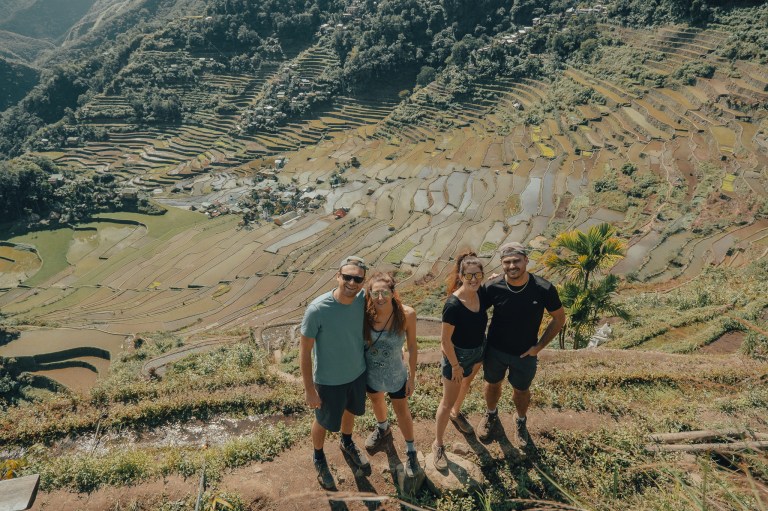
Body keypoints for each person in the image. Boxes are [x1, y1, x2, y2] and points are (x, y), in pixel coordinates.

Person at [477, 242, 565, 448]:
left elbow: (559, 318)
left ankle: (520, 420)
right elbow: (474, 308)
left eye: (516, 261)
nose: (512, 266)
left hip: (525, 353)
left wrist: (539, 347)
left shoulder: (543, 289)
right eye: (507, 262)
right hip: (495, 350)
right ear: (501, 264)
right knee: (492, 384)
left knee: (522, 390)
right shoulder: (492, 286)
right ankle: (491, 414)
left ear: (526, 260)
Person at [300, 255, 371, 490]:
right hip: (328, 381)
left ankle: (347, 442)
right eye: (347, 277)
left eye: (357, 279)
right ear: (337, 276)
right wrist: (309, 390)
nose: (352, 283)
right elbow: (304, 352)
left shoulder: (363, 300)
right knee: (322, 420)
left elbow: (389, 300)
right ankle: (319, 457)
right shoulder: (317, 309)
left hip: (357, 373)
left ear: (363, 281)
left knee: (350, 410)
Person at [432, 250, 487, 471]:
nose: (474, 279)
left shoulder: (481, 293)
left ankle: (457, 413)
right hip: (457, 357)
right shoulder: (453, 305)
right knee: (446, 402)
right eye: (469, 275)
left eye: (478, 275)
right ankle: (438, 444)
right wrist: (455, 366)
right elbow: (445, 341)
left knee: (466, 385)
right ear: (461, 276)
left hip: (478, 351)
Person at [362, 272, 420, 478]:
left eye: (385, 292)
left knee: (402, 411)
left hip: (396, 374)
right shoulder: (365, 314)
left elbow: (412, 346)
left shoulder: (407, 314)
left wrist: (412, 377)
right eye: (375, 293)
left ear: (393, 292)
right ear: (369, 294)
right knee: (376, 401)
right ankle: (383, 429)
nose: (380, 298)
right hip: (372, 374)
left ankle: (411, 450)